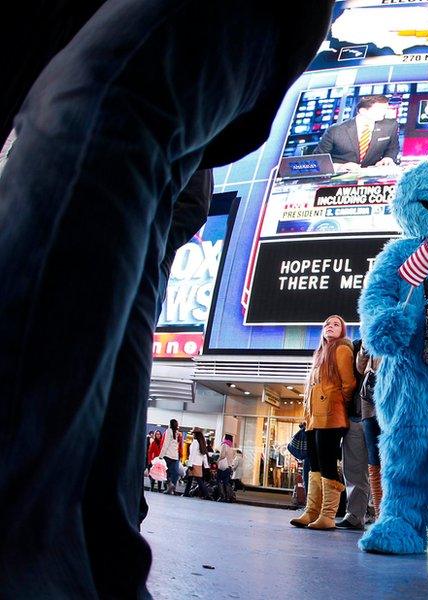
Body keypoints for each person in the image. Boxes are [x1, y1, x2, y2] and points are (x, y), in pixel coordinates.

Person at [0, 1, 334, 595]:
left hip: (145, 85)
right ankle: (98, 561)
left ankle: (28, 555)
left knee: (101, 99)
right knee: (127, 292)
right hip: (161, 154)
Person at [290, 315, 356, 531]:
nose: (331, 326)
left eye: (336, 324)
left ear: (342, 330)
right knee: (314, 465)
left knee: (327, 464)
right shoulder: (319, 354)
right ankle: (311, 511)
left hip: (331, 416)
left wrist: (336, 403)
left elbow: (349, 384)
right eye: (327, 324)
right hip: (313, 418)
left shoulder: (342, 349)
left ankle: (327, 515)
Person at [311, 95, 399, 171]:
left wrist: (388, 158)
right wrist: (340, 167)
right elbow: (318, 159)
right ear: (363, 111)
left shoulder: (390, 126)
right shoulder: (335, 130)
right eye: (380, 109)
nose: (385, 112)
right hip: (340, 176)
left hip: (372, 176)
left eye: (385, 108)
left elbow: (392, 148)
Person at [336, 338, 370, 531]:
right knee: (354, 469)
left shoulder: (395, 336)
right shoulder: (355, 346)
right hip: (357, 415)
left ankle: (385, 514)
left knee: (385, 470)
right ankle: (355, 515)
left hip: (384, 416)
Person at [356, 343, 383, 519]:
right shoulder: (371, 336)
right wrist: (365, 347)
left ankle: (390, 512)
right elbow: (360, 367)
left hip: (391, 402)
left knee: (390, 458)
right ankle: (379, 513)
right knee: (373, 459)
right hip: (368, 404)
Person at [184, 429, 211, 499]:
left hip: (193, 464)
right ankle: (186, 493)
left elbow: (192, 454)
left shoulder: (195, 442)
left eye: (193, 434)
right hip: (199, 464)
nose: (193, 435)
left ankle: (207, 495)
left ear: (196, 434)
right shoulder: (202, 442)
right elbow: (204, 455)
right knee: (194, 480)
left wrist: (190, 464)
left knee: (197, 481)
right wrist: (206, 466)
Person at [160, 420, 183, 496]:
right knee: (175, 473)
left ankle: (170, 486)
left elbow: (165, 444)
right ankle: (171, 487)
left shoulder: (168, 431)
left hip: (167, 455)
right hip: (175, 456)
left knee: (166, 473)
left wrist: (161, 456)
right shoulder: (178, 433)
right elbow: (179, 446)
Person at [216, 434, 236, 503]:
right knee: (226, 483)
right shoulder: (231, 448)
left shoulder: (224, 445)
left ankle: (222, 496)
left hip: (223, 467)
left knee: (219, 481)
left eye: (223, 437)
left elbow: (222, 455)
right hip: (229, 467)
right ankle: (229, 497)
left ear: (225, 438)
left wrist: (217, 461)